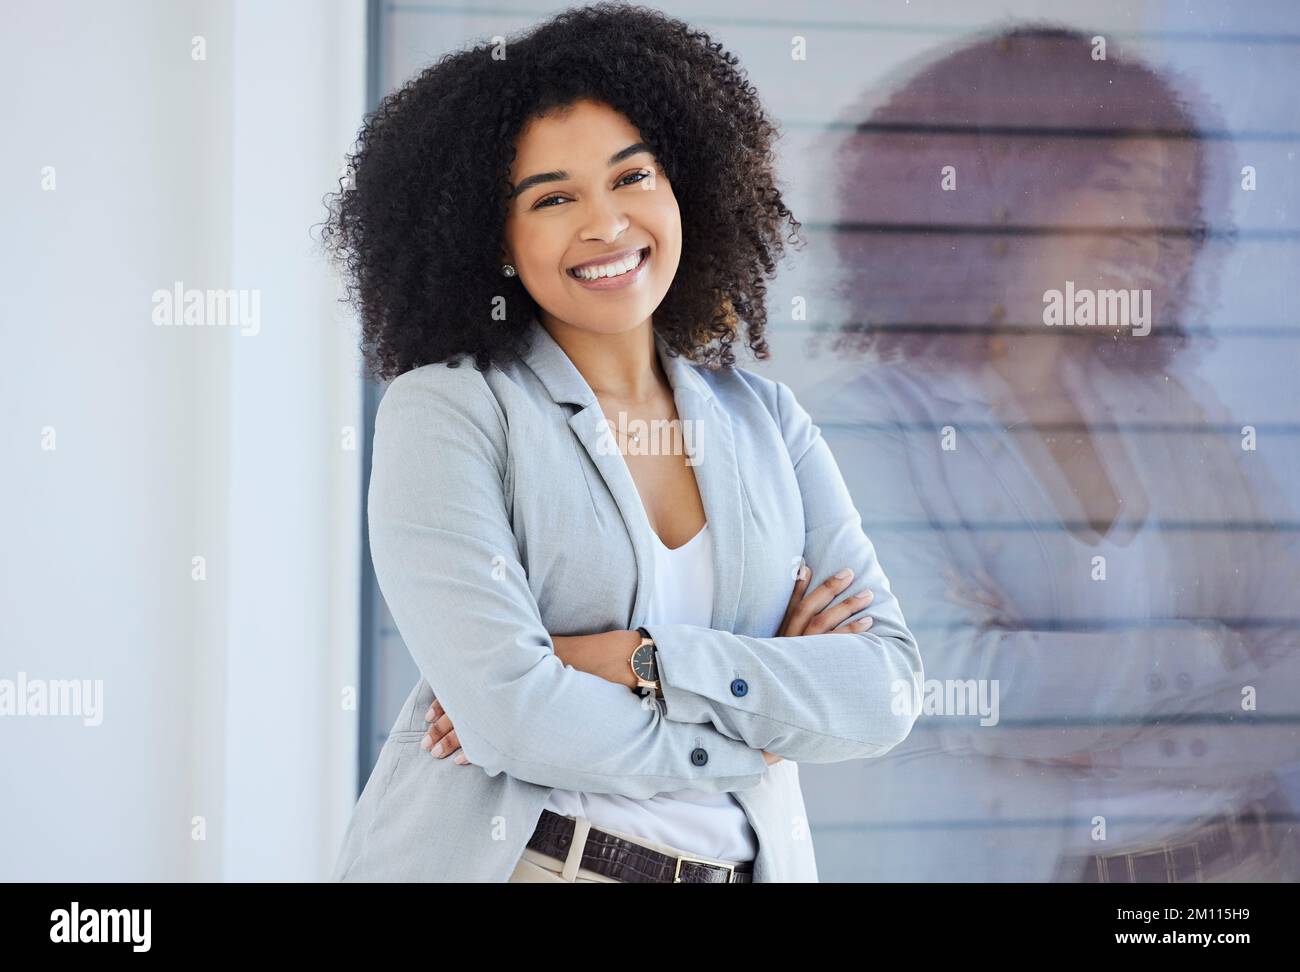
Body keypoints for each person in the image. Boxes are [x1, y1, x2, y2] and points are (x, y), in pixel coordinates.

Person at [322, 3, 921, 883]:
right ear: (495, 239)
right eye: (554, 197)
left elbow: (883, 691)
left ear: (686, 187)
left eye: (631, 176)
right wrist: (764, 718)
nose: (605, 224)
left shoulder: (767, 422)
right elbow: (511, 719)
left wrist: (644, 661)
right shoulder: (450, 411)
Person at [803, 25, 1300, 882]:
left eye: (1179, 204)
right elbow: (972, 694)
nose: (1163, 232)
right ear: (997, 190)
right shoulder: (866, 430)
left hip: (1249, 860)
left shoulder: (1169, 407)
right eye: (1121, 184)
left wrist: (1066, 691)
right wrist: (1212, 655)